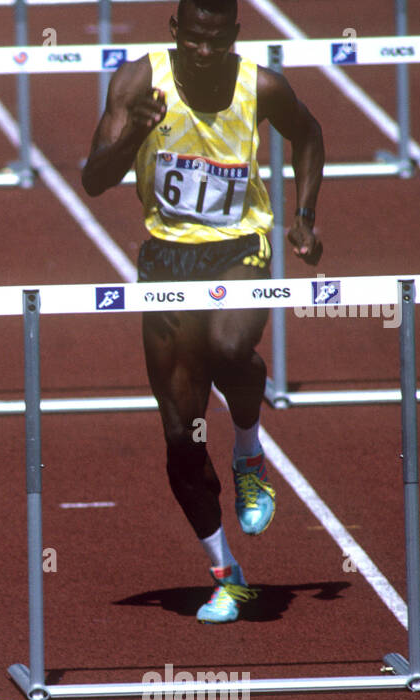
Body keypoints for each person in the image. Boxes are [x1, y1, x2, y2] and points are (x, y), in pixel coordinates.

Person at [82, 0, 323, 623]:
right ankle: (227, 573)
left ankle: (248, 453)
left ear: (235, 38)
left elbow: (309, 134)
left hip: (239, 250)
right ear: (176, 34)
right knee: (180, 432)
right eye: (193, 40)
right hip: (165, 261)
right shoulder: (138, 81)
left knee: (227, 347)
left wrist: (303, 218)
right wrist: (136, 129)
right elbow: (93, 179)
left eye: (216, 42)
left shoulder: (262, 85)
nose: (204, 52)